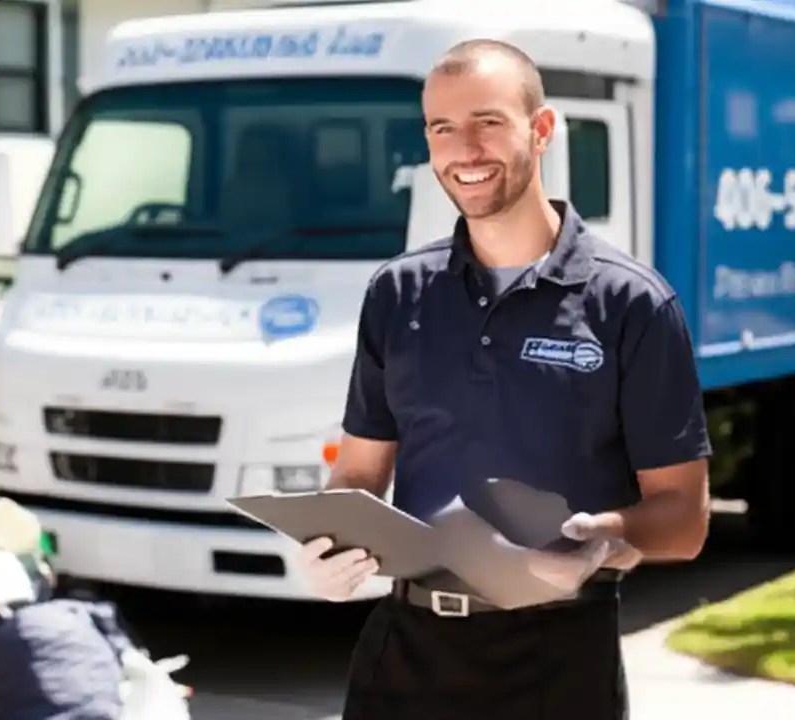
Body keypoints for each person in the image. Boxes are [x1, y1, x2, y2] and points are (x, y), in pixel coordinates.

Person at [297, 38, 713, 720]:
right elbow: (359, 474)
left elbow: (685, 517)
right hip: (405, 657)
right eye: (442, 129)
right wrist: (328, 546)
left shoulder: (633, 304)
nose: (464, 150)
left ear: (541, 129)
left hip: (559, 663)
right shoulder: (397, 293)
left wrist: (599, 538)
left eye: (487, 122)